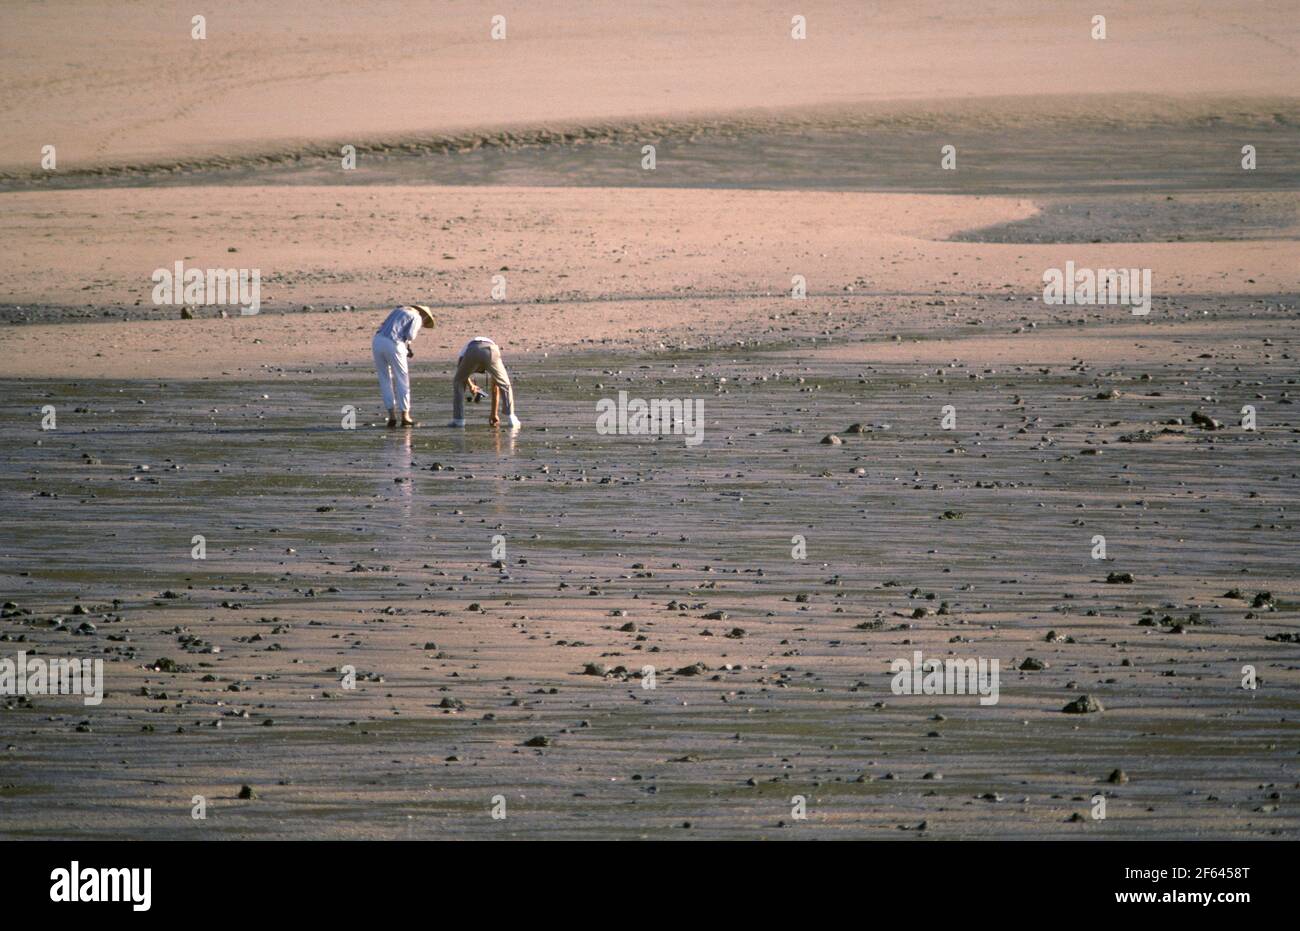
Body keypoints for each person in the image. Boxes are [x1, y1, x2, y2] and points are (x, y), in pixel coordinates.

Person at [372, 304, 435, 428]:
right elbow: (410, 335)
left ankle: (391, 416)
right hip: (394, 344)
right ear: (425, 316)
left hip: (377, 341)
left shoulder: (397, 310)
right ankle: (405, 416)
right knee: (402, 379)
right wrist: (409, 344)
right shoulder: (417, 317)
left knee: (384, 379)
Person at [450, 336, 519, 428]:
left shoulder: (464, 350)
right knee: (504, 384)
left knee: (458, 382)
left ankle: (459, 420)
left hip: (473, 350)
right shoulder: (468, 350)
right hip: (492, 350)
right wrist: (493, 414)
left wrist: (470, 385)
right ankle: (511, 418)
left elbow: (460, 371)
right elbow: (496, 388)